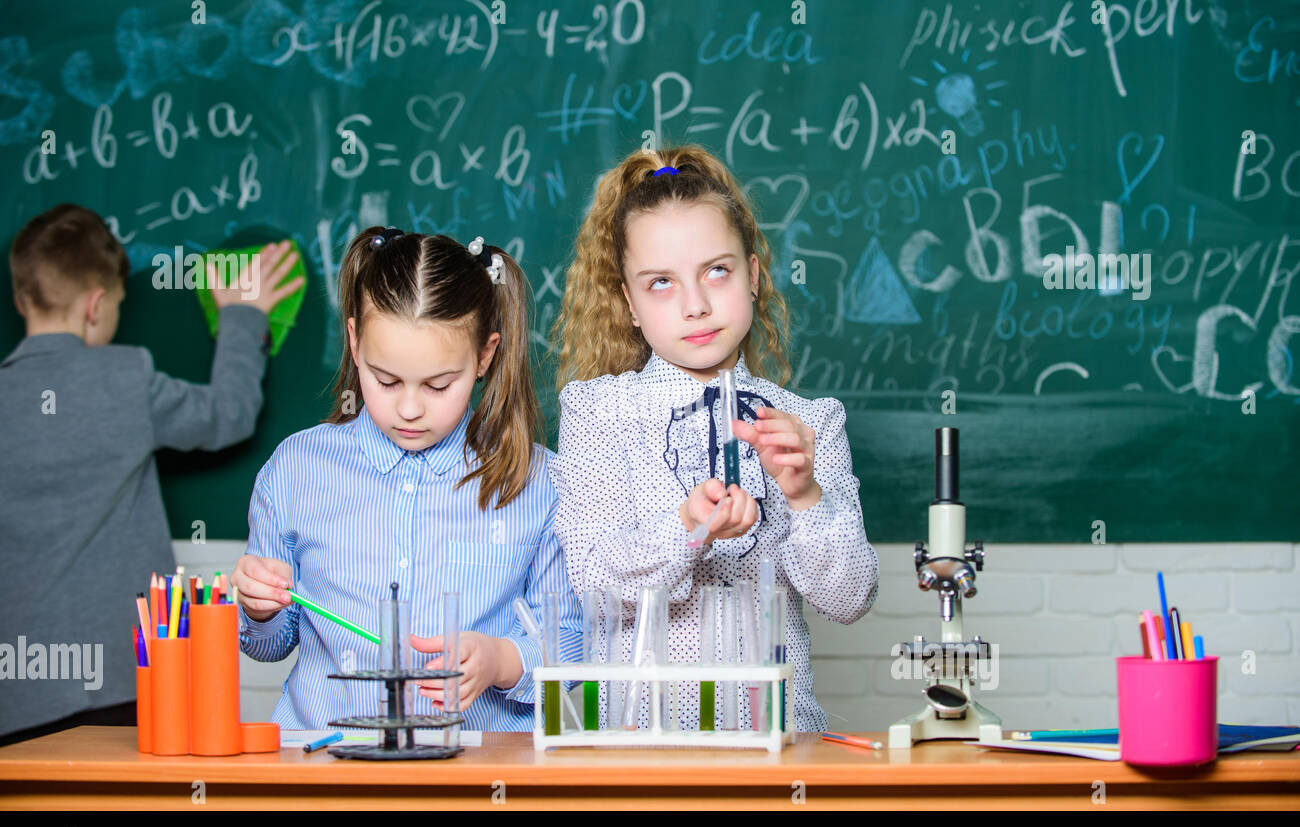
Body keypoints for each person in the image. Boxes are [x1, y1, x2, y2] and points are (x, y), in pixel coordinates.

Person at [549, 146, 879, 732]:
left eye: (716, 271)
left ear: (753, 276)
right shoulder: (599, 412)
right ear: (628, 302)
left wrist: (804, 496)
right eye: (660, 284)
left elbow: (849, 600)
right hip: (638, 748)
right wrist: (686, 528)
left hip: (778, 748)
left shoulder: (809, 423)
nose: (696, 306)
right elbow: (592, 580)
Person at [233, 227, 580, 730]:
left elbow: (573, 639)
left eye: (440, 385)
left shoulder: (539, 481)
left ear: (485, 356)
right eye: (386, 380)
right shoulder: (296, 470)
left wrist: (502, 661)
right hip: (325, 763)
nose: (410, 409)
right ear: (354, 342)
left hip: (479, 778)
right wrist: (259, 610)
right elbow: (268, 645)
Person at [0, 203, 300, 743]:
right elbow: (226, 413)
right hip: (126, 681)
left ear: (23, 298)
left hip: (16, 694)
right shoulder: (125, 376)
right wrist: (243, 314)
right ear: (96, 306)